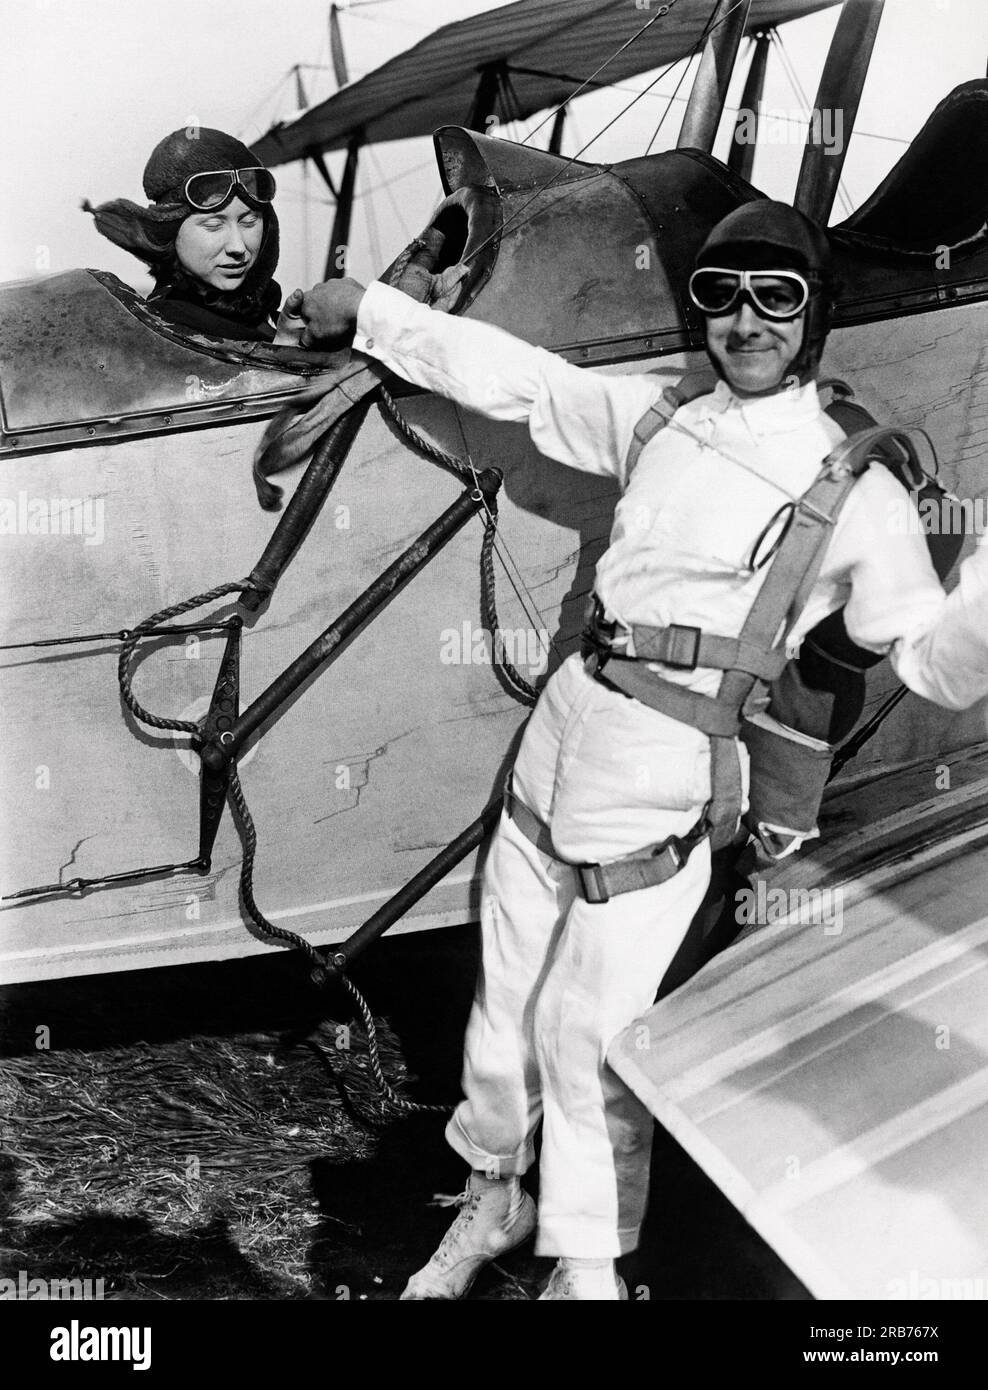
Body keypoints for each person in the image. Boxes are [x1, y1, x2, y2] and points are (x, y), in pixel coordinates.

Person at [295, 200, 988, 1300]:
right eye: (720, 295)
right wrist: (373, 311)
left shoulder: (855, 487)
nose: (745, 321)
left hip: (669, 763)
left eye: (778, 296)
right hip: (563, 729)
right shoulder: (659, 416)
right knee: (508, 987)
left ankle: (587, 1264)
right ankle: (493, 1190)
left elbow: (928, 662)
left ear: (816, 316)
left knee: (588, 1028)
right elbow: (517, 377)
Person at [85, 127, 284, 342]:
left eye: (249, 221)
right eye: (213, 225)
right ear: (170, 230)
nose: (238, 247)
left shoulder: (272, 317)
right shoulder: (158, 335)